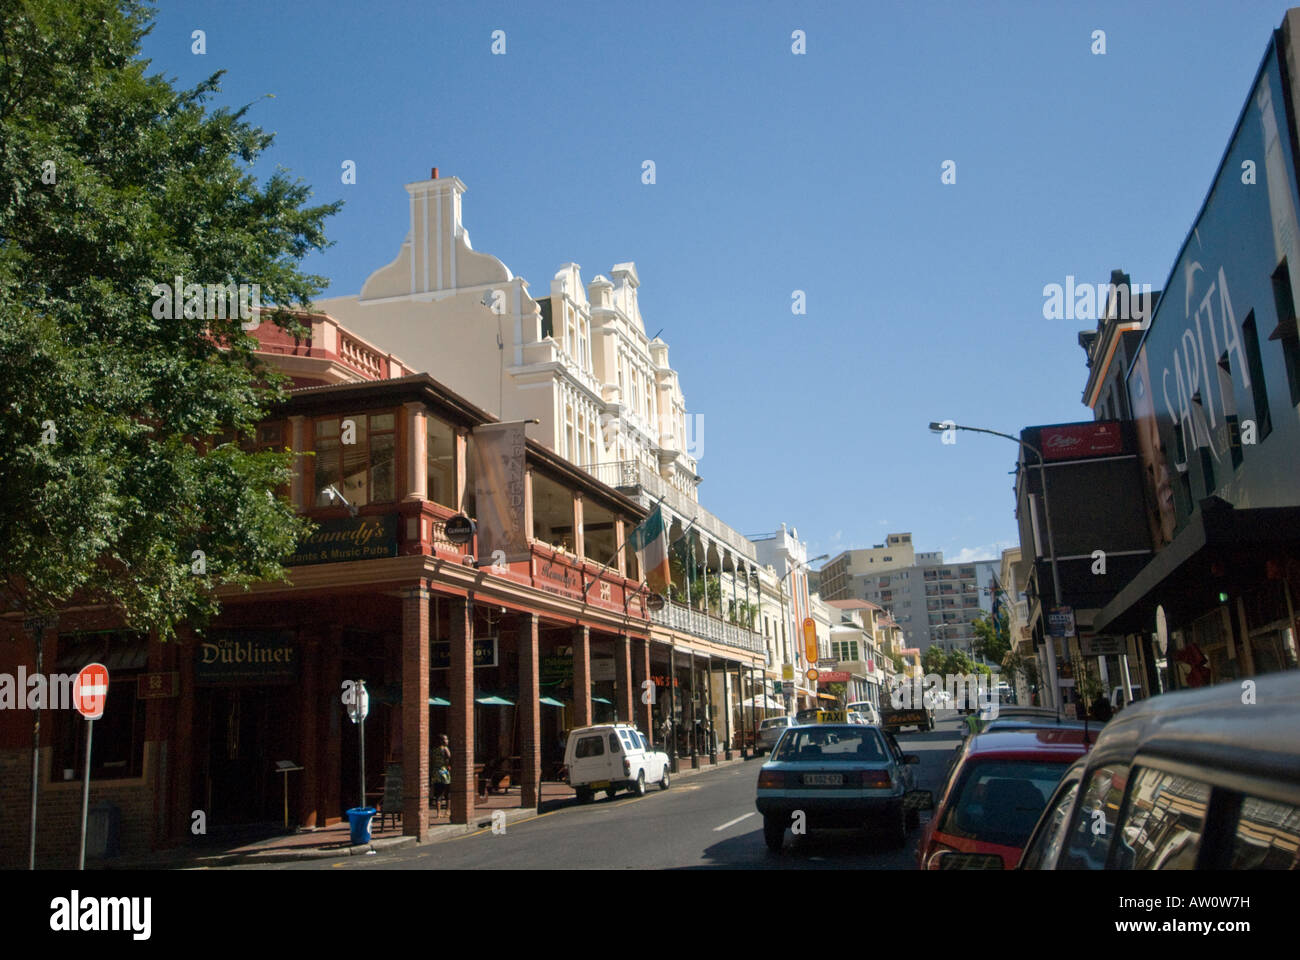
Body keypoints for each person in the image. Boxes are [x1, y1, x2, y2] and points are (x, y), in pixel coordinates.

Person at [432, 733, 451, 815]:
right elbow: (448, 757)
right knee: (447, 791)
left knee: (438, 793)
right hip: (444, 772)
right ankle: (447, 810)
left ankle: (438, 812)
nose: (447, 741)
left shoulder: (434, 750)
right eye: (445, 739)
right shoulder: (445, 749)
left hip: (436, 772)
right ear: (442, 741)